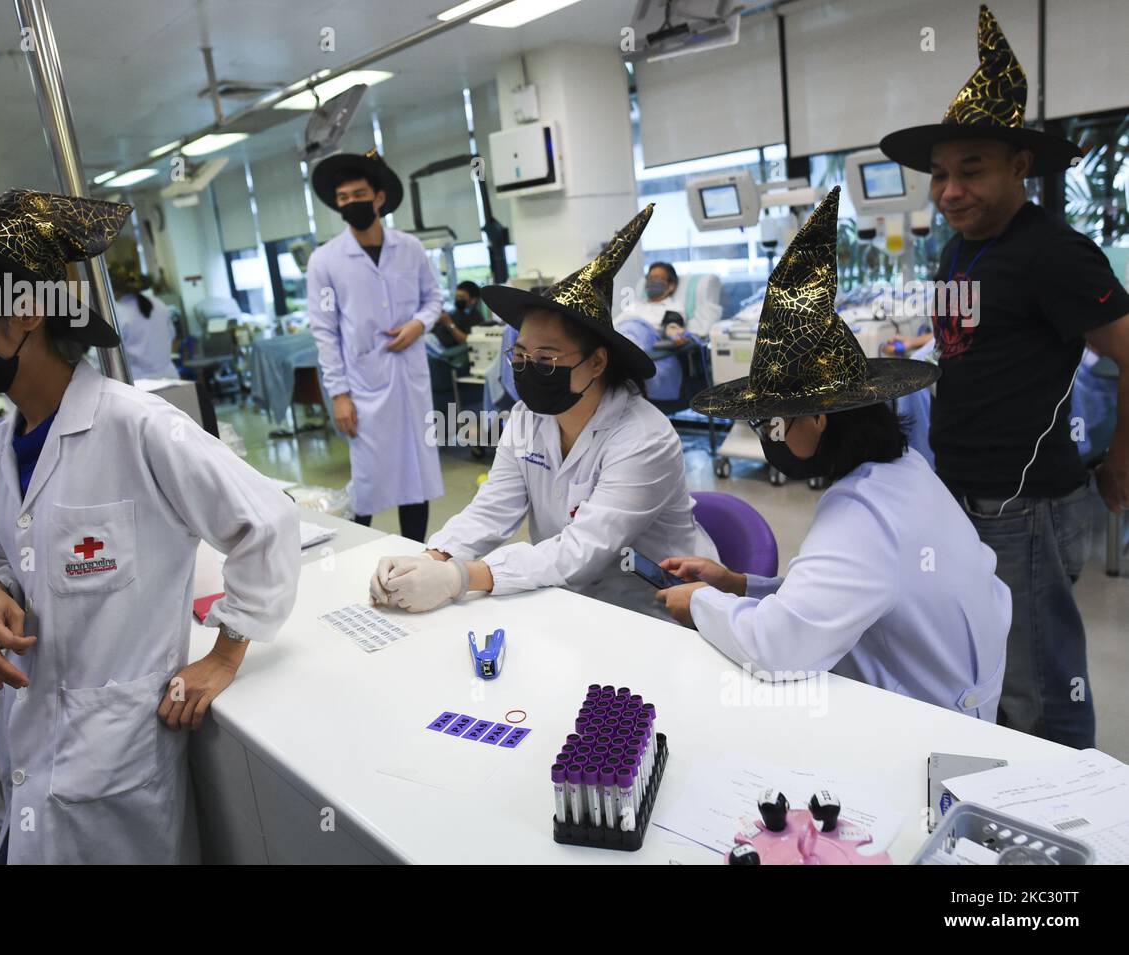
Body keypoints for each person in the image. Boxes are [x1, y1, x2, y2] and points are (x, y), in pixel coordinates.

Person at [0, 189, 300, 864]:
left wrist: (226, 653)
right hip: (31, 740)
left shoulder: (139, 427)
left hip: (119, 758)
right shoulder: (0, 447)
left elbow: (268, 520)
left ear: (22, 312)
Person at [659, 187, 1010, 721]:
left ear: (819, 419)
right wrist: (738, 585)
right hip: (954, 687)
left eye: (771, 422)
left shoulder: (861, 516)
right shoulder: (902, 470)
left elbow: (778, 650)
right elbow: (835, 591)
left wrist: (701, 603)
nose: (767, 437)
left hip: (927, 724)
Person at [880, 4, 1129, 747]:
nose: (950, 191)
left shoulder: (1055, 253)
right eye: (940, 174)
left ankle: (1069, 811)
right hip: (961, 488)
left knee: (1043, 674)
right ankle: (1013, 784)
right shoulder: (959, 250)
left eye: (972, 171)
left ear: (1021, 166)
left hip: (1027, 501)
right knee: (986, 650)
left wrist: (1121, 457)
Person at [369, 205, 718, 618]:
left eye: (547, 360)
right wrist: (434, 557)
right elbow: (493, 508)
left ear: (598, 362)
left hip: (655, 608)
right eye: (520, 356)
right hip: (567, 597)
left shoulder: (644, 438)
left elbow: (581, 550)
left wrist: (461, 577)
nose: (529, 369)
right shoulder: (527, 418)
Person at [306, 149, 444, 542]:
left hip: (410, 378)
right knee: (368, 480)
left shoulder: (410, 248)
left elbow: (434, 299)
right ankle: (352, 553)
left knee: (416, 472)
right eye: (344, 198)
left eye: (359, 194)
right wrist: (339, 395)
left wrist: (419, 324)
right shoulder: (325, 261)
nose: (352, 203)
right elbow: (325, 331)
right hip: (363, 385)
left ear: (379, 197)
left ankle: (415, 554)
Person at [108, 261, 179, 380]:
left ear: (113, 288)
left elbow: (106, 354)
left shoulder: (117, 312)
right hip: (170, 377)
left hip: (142, 383)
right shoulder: (158, 304)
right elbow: (172, 334)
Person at [433, 279, 483, 349]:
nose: (458, 299)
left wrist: (449, 324)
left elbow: (468, 342)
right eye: (457, 297)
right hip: (433, 339)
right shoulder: (457, 312)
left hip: (444, 349)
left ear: (473, 300)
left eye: (462, 297)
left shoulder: (475, 318)